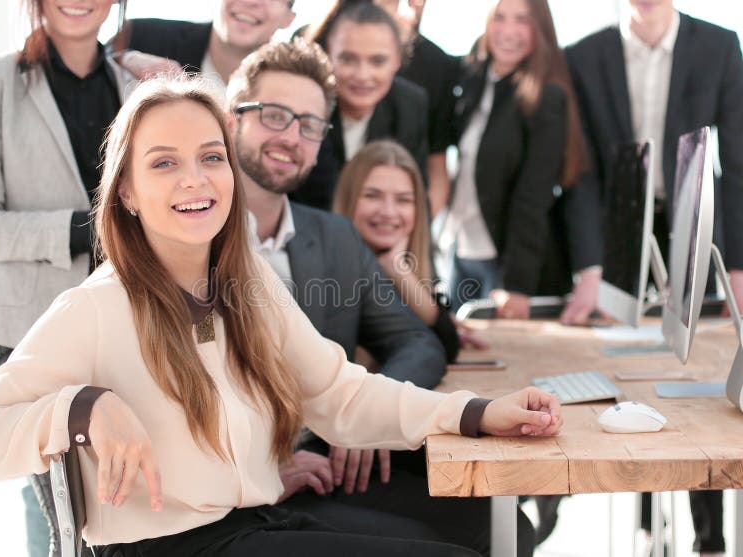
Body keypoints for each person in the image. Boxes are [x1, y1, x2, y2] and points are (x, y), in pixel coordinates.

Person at [0, 72, 563, 557]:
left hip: (255, 525)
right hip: (167, 551)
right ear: (127, 192)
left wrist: (478, 413)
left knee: (480, 524)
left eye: (212, 157)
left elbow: (339, 394)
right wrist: (79, 409)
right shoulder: (95, 307)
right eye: (164, 162)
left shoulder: (248, 285)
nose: (195, 179)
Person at [226, 39, 532, 556]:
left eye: (308, 124)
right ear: (233, 120)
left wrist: (357, 421)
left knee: (504, 527)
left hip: (326, 460)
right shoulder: (196, 236)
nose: (291, 137)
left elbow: (419, 342)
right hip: (242, 488)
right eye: (274, 116)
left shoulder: (336, 238)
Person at [560, 1, 743, 553]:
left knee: (693, 364)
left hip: (694, 215)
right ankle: (645, 517)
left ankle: (708, 532)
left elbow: (736, 163)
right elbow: (581, 171)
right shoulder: (584, 55)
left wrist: (735, 263)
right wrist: (590, 266)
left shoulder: (719, 45)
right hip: (621, 217)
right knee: (631, 366)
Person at [0, 1, 134, 554]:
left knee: (122, 483)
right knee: (52, 496)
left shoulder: (137, 83)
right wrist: (89, 229)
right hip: (33, 325)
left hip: (129, 317)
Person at [438, 0, 589, 318]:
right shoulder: (471, 80)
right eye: (500, 18)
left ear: (541, 30)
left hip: (504, 264)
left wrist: (516, 284)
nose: (508, 31)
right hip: (459, 249)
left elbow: (532, 198)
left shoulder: (546, 98)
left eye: (522, 20)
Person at [333, 140, 486, 362]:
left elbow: (445, 347)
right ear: (349, 199)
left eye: (403, 200)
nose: (388, 211)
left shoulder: (411, 268)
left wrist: (398, 270)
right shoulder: (324, 272)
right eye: (372, 196)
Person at [290, 2, 429, 211]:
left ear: (397, 61)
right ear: (328, 55)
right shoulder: (302, 104)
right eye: (348, 59)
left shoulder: (410, 105)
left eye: (378, 61)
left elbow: (415, 200)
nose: (363, 75)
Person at [115, 0, 295, 87]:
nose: (251, 2)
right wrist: (124, 58)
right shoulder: (141, 36)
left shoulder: (291, 88)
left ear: (289, 19)